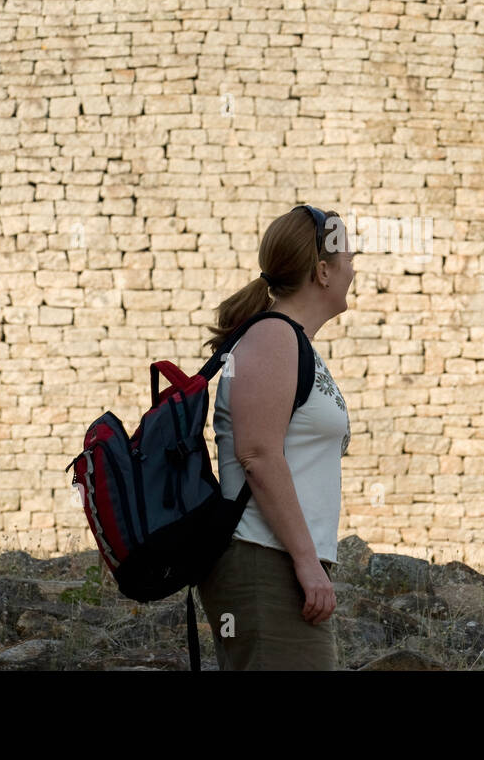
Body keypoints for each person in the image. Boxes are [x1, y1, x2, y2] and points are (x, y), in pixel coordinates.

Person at [196, 204, 355, 670]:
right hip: (263, 559)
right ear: (322, 271)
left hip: (278, 560)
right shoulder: (272, 337)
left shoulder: (291, 341)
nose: (355, 265)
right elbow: (258, 454)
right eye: (348, 254)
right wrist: (306, 563)